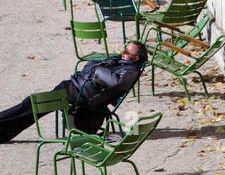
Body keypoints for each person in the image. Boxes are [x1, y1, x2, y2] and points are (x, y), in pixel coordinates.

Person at [0, 40, 147, 142]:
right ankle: (4, 129)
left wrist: (96, 70)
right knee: (33, 106)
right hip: (75, 87)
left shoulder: (130, 71)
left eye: (126, 52)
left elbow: (113, 79)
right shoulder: (121, 61)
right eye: (123, 49)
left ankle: (3, 129)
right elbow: (90, 64)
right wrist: (95, 70)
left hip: (79, 93)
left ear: (136, 58)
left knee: (33, 105)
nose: (122, 52)